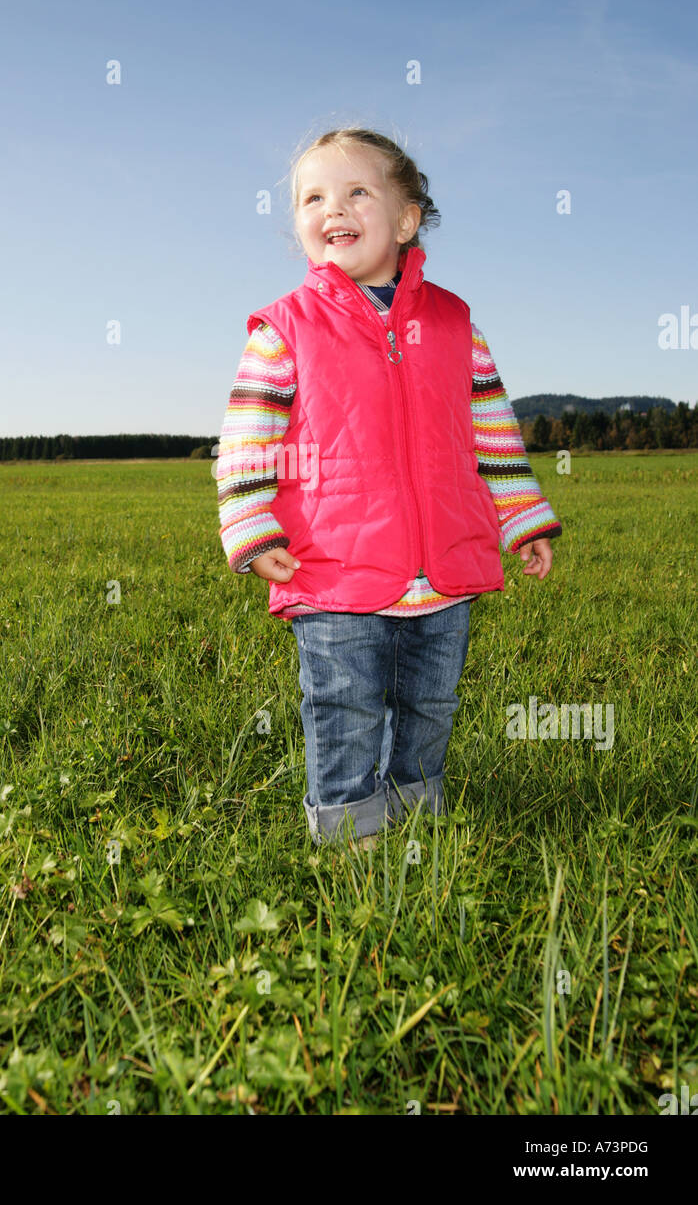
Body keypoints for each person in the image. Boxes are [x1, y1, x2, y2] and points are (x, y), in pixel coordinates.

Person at [215, 125, 562, 851]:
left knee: (430, 703)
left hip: (445, 569)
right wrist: (250, 521)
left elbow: (493, 433)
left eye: (356, 191)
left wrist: (524, 517)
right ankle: (347, 829)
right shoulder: (286, 329)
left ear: (406, 219)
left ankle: (413, 803)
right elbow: (247, 439)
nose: (329, 208)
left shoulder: (454, 326)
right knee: (344, 705)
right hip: (332, 567)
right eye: (312, 196)